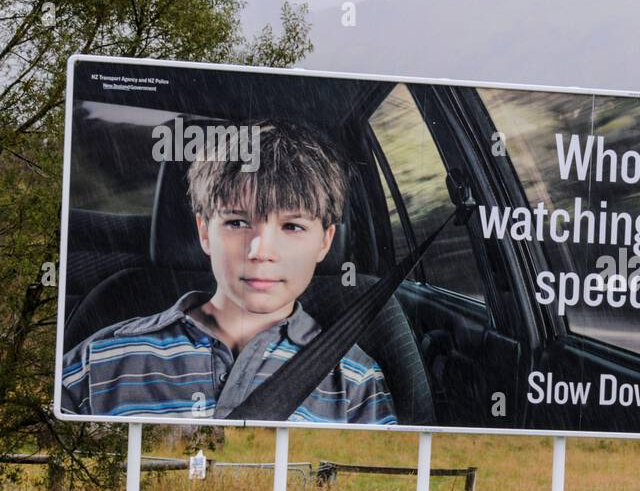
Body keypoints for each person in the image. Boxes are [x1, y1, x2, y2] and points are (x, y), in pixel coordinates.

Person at [61, 119, 396, 425]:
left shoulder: (355, 382)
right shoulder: (102, 358)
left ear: (325, 242)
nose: (260, 251)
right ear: (205, 232)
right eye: (237, 222)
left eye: (292, 226)